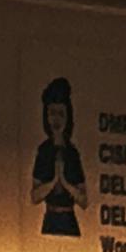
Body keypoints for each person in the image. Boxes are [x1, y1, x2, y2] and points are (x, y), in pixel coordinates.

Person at [32, 77, 87, 237]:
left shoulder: (72, 152)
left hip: (69, 220)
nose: (56, 119)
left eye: (61, 114)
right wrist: (52, 182)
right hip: (50, 220)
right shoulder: (43, 151)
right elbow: (35, 196)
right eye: (52, 113)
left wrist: (65, 183)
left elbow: (83, 200)